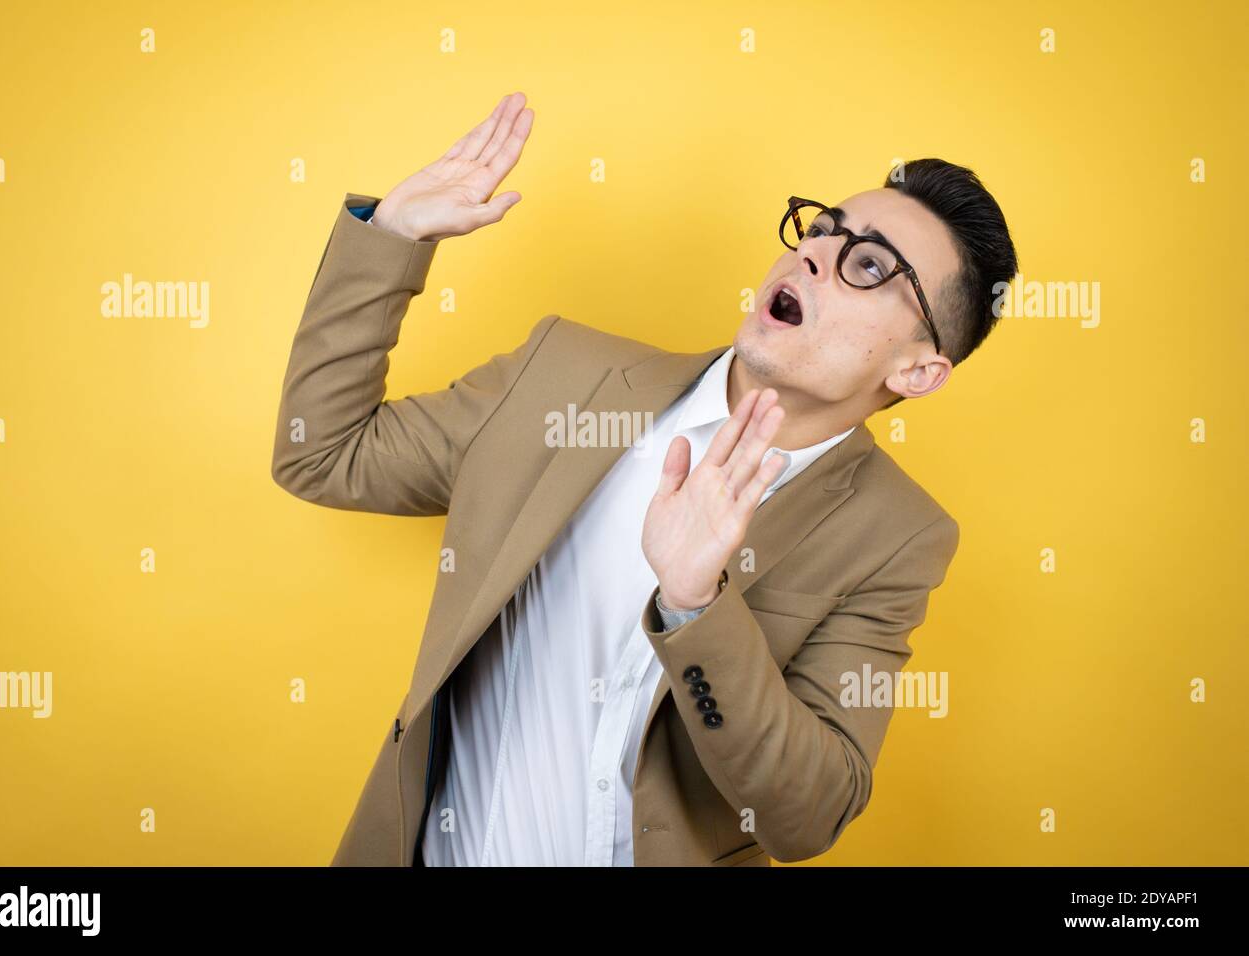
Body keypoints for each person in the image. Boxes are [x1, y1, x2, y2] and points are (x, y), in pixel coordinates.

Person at [271, 91, 1017, 867]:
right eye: (823, 231)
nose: (814, 256)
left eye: (868, 265)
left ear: (920, 371)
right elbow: (321, 453)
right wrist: (390, 241)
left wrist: (697, 606)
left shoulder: (897, 536)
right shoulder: (564, 378)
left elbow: (806, 817)